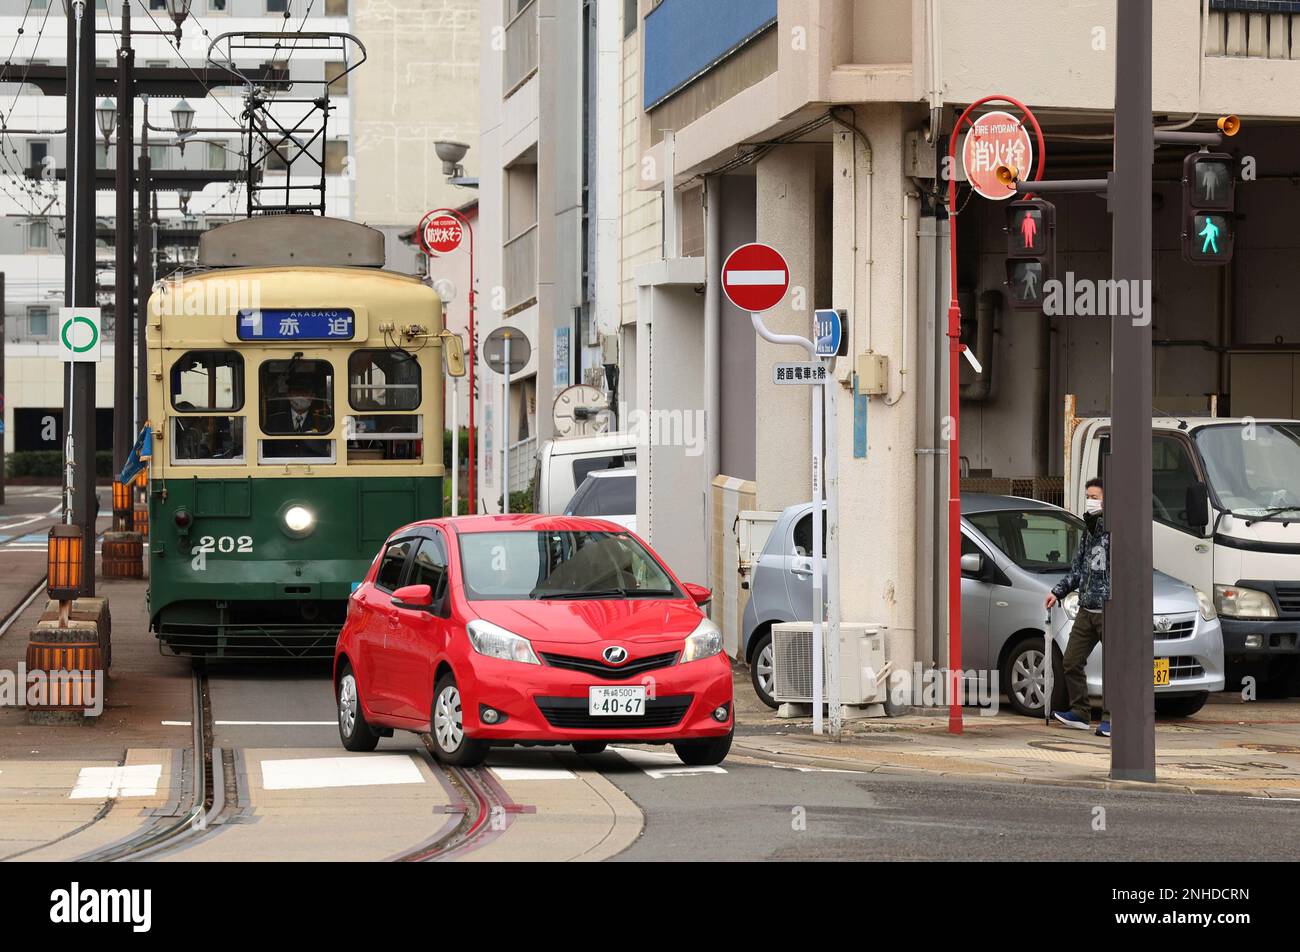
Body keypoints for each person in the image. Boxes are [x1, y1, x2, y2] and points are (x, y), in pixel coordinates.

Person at [1044, 478, 1111, 738]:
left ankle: (1111, 718)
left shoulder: (1114, 530)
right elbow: (1077, 569)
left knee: (1113, 668)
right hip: (1087, 608)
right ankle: (1081, 712)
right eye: (1088, 496)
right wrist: (1057, 591)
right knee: (1071, 661)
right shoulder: (1088, 530)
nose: (1090, 501)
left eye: (1095, 496)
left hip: (1109, 609)